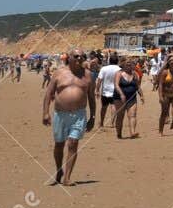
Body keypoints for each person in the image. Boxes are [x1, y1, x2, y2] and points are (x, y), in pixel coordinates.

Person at [42, 49, 92, 186]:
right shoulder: (59, 73)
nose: (79, 58)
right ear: (69, 57)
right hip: (60, 114)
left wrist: (92, 116)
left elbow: (92, 97)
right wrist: (45, 112)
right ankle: (59, 171)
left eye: (82, 56)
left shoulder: (87, 75)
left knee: (73, 143)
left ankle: (67, 177)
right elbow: (48, 93)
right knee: (59, 145)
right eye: (76, 56)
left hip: (79, 114)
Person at [117, 58, 141, 138]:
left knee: (132, 115)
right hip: (119, 98)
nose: (129, 65)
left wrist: (142, 95)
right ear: (123, 64)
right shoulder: (119, 73)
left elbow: (138, 86)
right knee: (120, 116)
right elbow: (116, 85)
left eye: (130, 63)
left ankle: (132, 132)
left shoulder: (135, 74)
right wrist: (121, 94)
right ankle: (119, 133)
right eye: (127, 63)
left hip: (132, 97)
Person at [97, 54, 121, 131]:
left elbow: (99, 80)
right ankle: (112, 123)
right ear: (117, 61)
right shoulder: (119, 69)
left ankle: (101, 123)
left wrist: (97, 89)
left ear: (109, 60)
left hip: (105, 91)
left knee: (104, 107)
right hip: (115, 90)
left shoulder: (104, 68)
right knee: (113, 106)